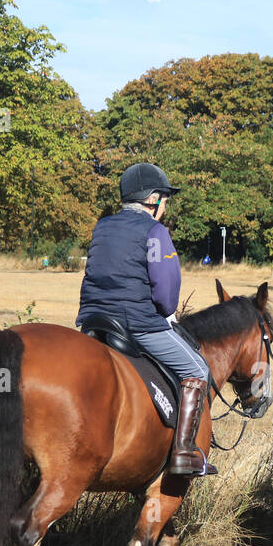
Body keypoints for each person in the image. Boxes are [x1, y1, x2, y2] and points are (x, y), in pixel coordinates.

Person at [76, 162, 216, 476]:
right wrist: (165, 313)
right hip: (136, 324)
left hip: (93, 323)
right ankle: (184, 453)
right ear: (152, 199)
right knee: (197, 369)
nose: (166, 206)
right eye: (165, 199)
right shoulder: (155, 232)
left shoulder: (103, 226)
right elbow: (166, 292)